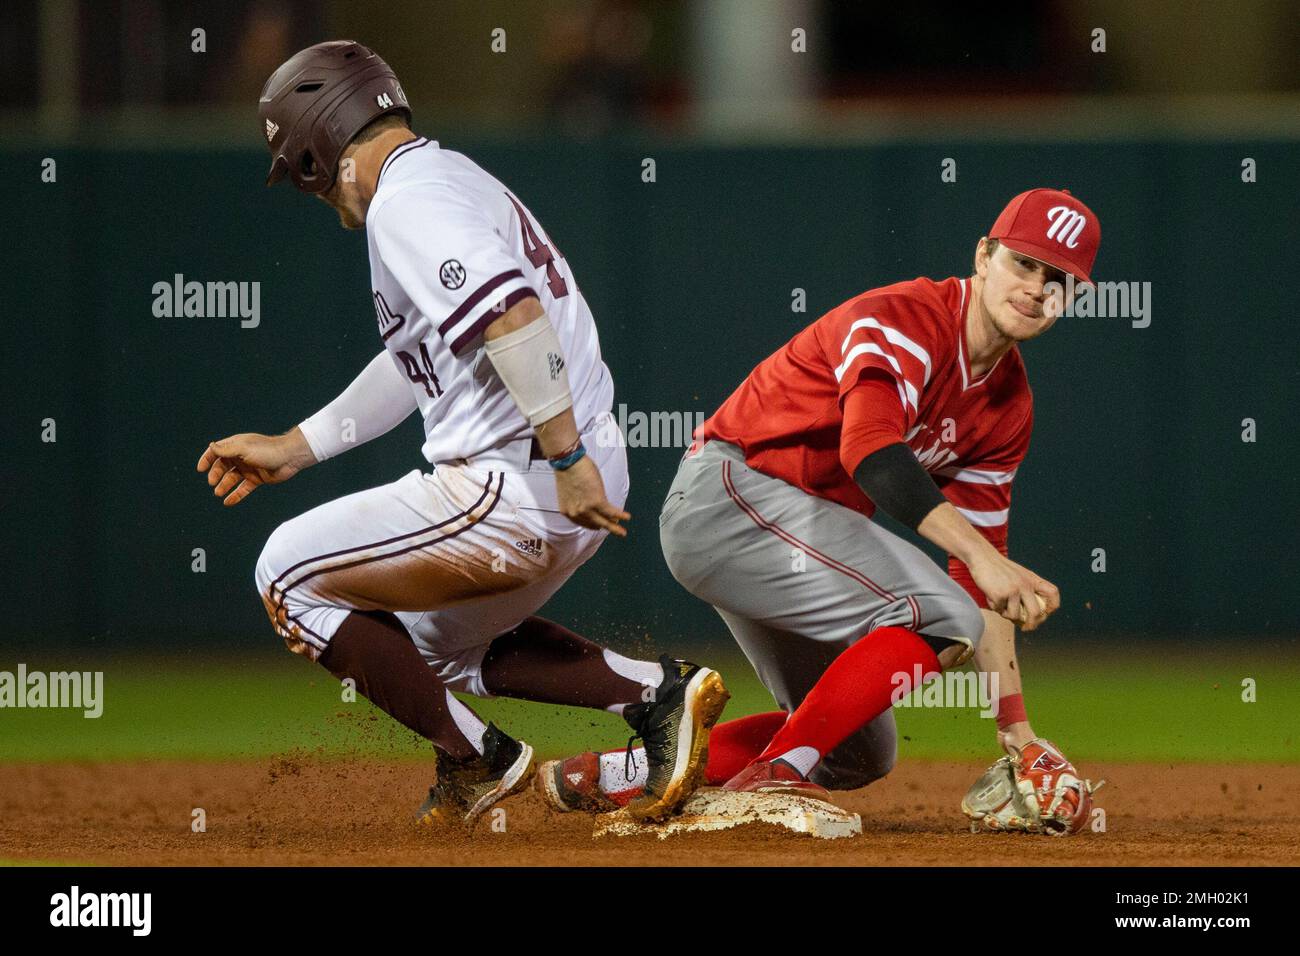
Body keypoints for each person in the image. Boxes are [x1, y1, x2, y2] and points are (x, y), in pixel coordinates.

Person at [196, 41, 727, 828]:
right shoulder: (447, 179)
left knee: (286, 573)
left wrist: (566, 455)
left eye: (298, 167)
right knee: (433, 646)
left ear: (316, 150)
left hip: (517, 482)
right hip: (556, 475)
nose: (306, 189)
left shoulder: (407, 202)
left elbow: (512, 314)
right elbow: (418, 362)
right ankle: (657, 695)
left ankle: (476, 757)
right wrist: (296, 446)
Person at [536, 189, 1098, 835]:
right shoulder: (908, 317)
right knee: (939, 614)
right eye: (1024, 264)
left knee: (857, 751)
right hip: (733, 498)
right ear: (984, 255)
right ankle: (775, 777)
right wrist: (979, 559)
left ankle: (606, 775)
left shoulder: (1007, 406)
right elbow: (874, 455)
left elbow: (982, 581)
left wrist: (1017, 729)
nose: (1036, 288)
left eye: (1058, 280)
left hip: (794, 540)